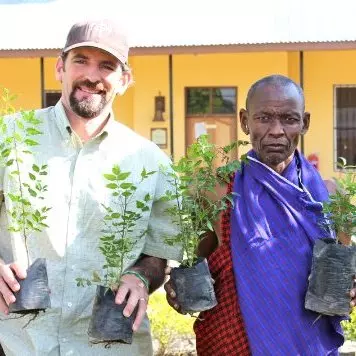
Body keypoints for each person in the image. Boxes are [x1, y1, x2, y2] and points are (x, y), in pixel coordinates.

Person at [0, 19, 182, 356]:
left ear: (124, 80)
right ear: (60, 68)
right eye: (80, 61)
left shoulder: (151, 162)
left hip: (110, 347)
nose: (92, 76)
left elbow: (159, 253)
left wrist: (141, 277)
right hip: (17, 342)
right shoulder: (9, 138)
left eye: (107, 66)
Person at [165, 74, 356, 355]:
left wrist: (351, 287)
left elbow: (341, 270)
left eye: (289, 119)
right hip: (236, 342)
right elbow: (199, 264)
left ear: (305, 122)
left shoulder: (330, 196)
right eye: (264, 118)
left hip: (307, 343)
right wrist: (179, 289)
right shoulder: (218, 190)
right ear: (244, 121)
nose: (276, 130)